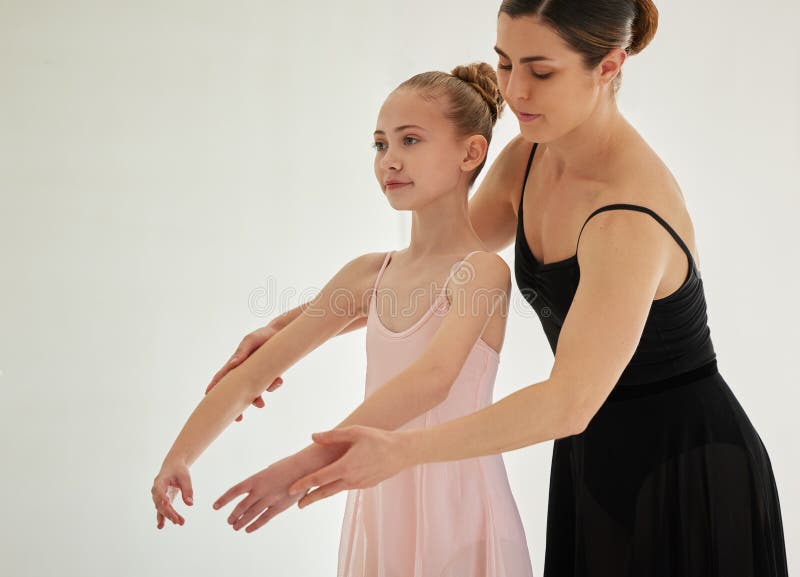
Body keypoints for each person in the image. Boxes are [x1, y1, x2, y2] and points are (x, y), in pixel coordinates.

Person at [209, 1, 789, 576]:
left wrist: (401, 451)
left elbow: (567, 402)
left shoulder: (626, 220)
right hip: (592, 456)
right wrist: (286, 329)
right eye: (506, 64)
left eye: (540, 72)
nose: (515, 93)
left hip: (684, 469)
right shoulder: (529, 157)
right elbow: (440, 271)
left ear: (609, 66)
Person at [152, 62, 535, 576]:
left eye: (410, 141)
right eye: (380, 145)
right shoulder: (367, 275)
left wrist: (299, 471)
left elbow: (431, 382)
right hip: (376, 502)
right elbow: (254, 372)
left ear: (470, 152)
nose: (390, 161)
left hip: (459, 506)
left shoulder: (481, 273)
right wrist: (179, 457)